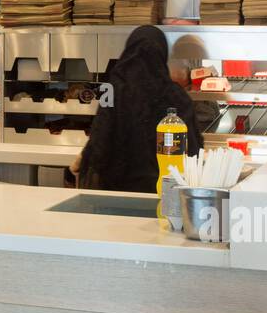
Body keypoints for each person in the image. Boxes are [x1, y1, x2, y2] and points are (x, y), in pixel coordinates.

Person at [69, 25, 203, 193]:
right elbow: (193, 149)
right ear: (162, 55)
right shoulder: (177, 96)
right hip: (164, 193)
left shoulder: (110, 90)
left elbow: (99, 137)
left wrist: (82, 162)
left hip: (115, 193)